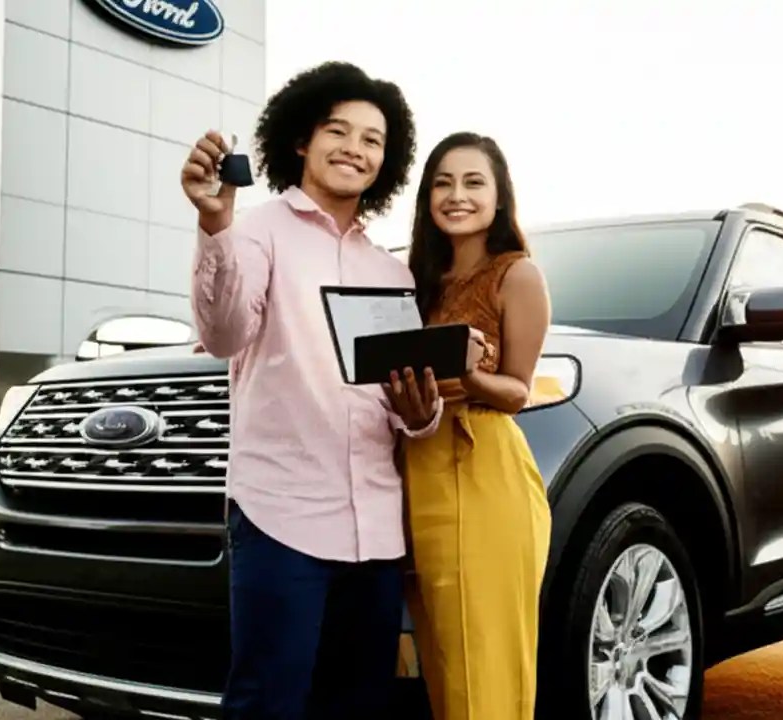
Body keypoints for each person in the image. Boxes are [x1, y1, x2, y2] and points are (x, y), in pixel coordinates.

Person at [181, 61, 482, 720]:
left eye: (373, 139)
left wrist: (421, 411)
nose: (355, 148)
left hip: (374, 531)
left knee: (358, 705)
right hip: (281, 515)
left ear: (387, 159)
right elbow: (226, 334)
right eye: (338, 130)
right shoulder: (254, 229)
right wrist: (214, 227)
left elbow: (405, 409)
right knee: (268, 703)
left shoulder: (392, 271)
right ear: (301, 141)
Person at [390, 132, 553, 720]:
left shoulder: (518, 275)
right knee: (439, 657)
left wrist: (469, 374)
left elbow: (516, 390)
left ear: (500, 196)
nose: (456, 195)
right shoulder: (415, 279)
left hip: (482, 463)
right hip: (414, 464)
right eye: (442, 182)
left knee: (485, 658)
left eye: (473, 182)